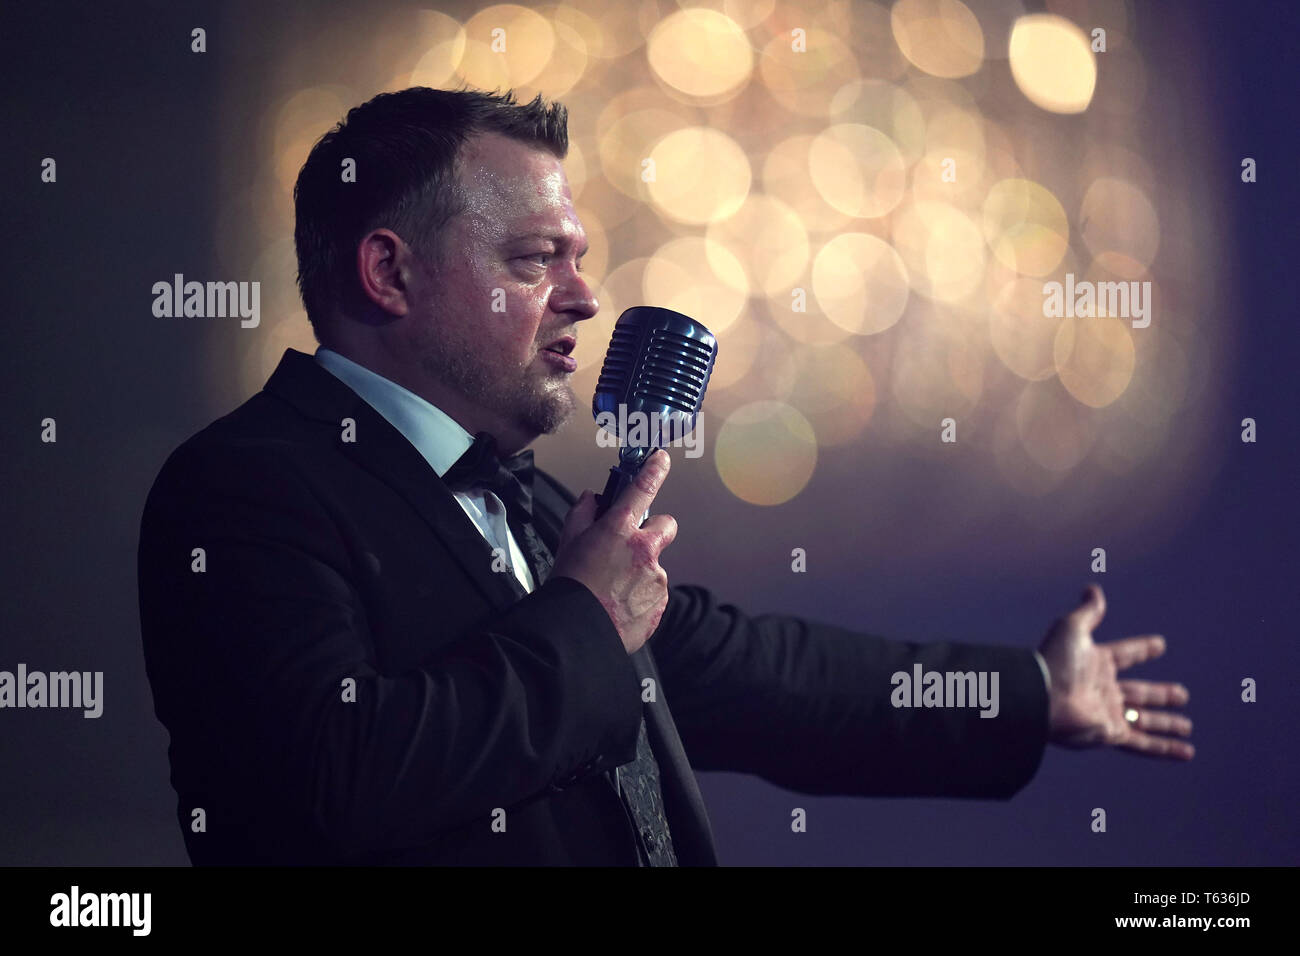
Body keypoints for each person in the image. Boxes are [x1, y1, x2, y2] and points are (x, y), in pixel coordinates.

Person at [137, 87, 1193, 866]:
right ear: (389, 272)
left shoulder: (537, 507)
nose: (584, 297)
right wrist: (584, 618)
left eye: (580, 257)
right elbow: (332, 783)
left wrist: (1029, 692)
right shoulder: (246, 487)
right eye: (532, 259)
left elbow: (761, 677)